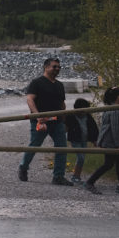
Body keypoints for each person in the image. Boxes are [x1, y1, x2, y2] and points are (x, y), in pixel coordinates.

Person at [20, 56, 70, 186]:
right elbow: (30, 99)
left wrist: (64, 121)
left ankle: (58, 176)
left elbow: (62, 104)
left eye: (59, 67)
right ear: (46, 67)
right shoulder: (37, 82)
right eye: (54, 66)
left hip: (57, 121)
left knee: (62, 148)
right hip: (40, 121)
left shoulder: (59, 85)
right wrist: (37, 116)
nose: (57, 69)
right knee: (34, 145)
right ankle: (23, 167)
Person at [84, 87, 119, 195]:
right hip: (109, 142)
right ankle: (90, 182)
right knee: (109, 164)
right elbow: (115, 128)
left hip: (111, 142)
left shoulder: (115, 109)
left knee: (118, 163)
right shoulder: (115, 110)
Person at [66, 97, 98, 183]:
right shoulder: (71, 116)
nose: (84, 112)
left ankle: (77, 176)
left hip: (84, 140)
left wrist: (94, 140)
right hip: (75, 140)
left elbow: (93, 128)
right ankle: (75, 176)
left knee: (82, 158)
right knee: (80, 158)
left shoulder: (88, 116)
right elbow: (65, 126)